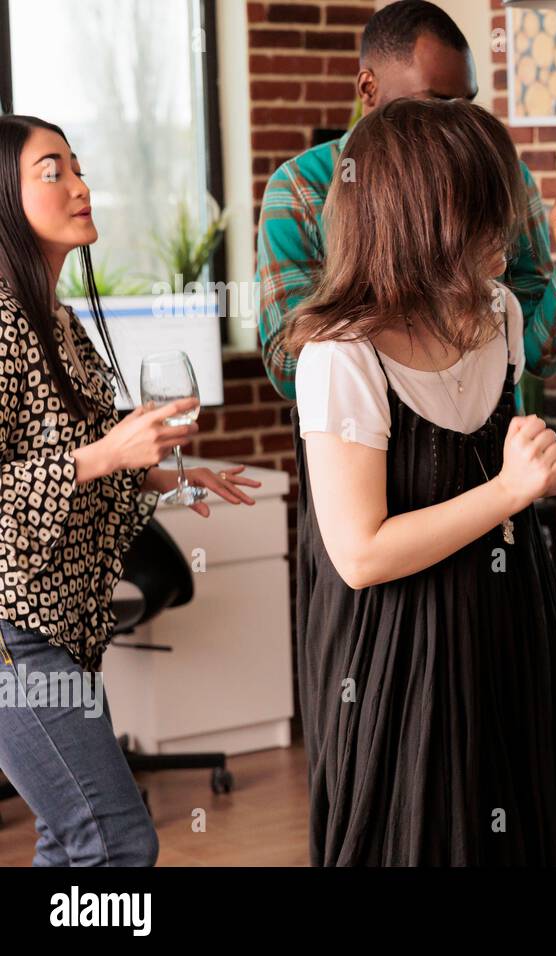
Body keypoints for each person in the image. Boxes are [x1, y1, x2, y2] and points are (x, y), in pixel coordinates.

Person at [287, 96, 556, 866]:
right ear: (427, 221)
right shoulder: (341, 357)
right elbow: (362, 555)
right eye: (489, 207)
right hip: (396, 654)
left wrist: (555, 476)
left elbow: (483, 480)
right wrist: (511, 490)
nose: (511, 226)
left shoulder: (498, 312)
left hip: (508, 618)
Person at [0, 114, 259, 866]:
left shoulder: (60, 319)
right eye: (53, 172)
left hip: (59, 625)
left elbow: (77, 447)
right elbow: (84, 455)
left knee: (73, 839)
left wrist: (168, 471)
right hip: (15, 635)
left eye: (78, 167)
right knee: (114, 843)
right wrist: (110, 449)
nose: (81, 186)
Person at [257, 0, 556, 409]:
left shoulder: (505, 175)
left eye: (467, 104)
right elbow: (289, 368)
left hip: (497, 455)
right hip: (366, 456)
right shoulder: (302, 189)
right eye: (438, 103)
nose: (459, 123)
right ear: (368, 89)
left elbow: (537, 354)